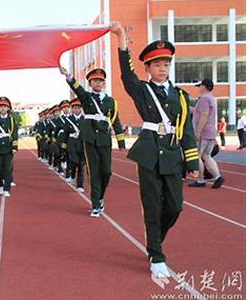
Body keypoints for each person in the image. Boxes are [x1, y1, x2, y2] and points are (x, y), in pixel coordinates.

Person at [111, 21, 199, 279]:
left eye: (166, 64)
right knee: (151, 205)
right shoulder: (142, 90)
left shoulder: (181, 96)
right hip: (149, 154)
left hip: (172, 154)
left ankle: (154, 238)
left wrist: (192, 162)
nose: (162, 69)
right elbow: (127, 75)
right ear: (147, 68)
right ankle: (156, 254)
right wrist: (121, 38)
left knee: (175, 207)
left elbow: (187, 130)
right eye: (157, 65)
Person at [59, 66, 126, 218]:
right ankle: (96, 205)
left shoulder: (111, 102)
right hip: (89, 140)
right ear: (90, 83)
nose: (98, 83)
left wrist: (121, 142)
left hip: (104, 141)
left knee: (106, 172)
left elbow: (116, 121)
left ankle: (100, 197)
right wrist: (69, 76)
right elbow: (77, 89)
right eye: (95, 81)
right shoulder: (86, 97)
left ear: (104, 83)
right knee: (94, 173)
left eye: (101, 81)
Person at [188, 79, 224, 188]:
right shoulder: (211, 98)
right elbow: (198, 111)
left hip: (203, 132)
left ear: (204, 86)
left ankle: (200, 180)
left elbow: (204, 114)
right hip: (210, 131)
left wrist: (198, 131)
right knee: (206, 156)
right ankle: (217, 177)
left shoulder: (203, 99)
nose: (199, 88)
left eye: (200, 86)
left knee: (197, 156)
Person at [0, 97, 18, 198]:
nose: (2, 109)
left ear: (8, 108)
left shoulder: (12, 120)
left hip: (8, 147)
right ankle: (1, 183)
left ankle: (6, 188)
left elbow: (14, 134)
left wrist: (14, 146)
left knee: (8, 169)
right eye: (0, 107)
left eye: (4, 107)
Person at [63, 98, 85, 192]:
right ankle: (72, 175)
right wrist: (64, 144)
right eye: (75, 108)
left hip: (82, 144)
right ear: (72, 109)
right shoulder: (69, 120)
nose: (77, 110)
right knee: (73, 162)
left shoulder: (85, 119)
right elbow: (65, 133)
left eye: (78, 108)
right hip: (72, 144)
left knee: (81, 164)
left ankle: (80, 185)